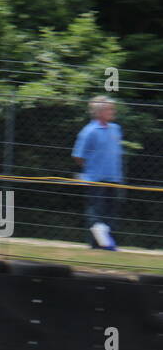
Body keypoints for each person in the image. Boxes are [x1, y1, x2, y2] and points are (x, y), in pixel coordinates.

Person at [72, 95, 124, 250]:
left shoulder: (116, 129)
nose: (113, 112)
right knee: (96, 213)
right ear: (99, 112)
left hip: (114, 178)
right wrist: (91, 170)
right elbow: (78, 156)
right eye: (109, 109)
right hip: (95, 179)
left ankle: (107, 244)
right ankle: (97, 245)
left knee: (111, 213)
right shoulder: (89, 131)